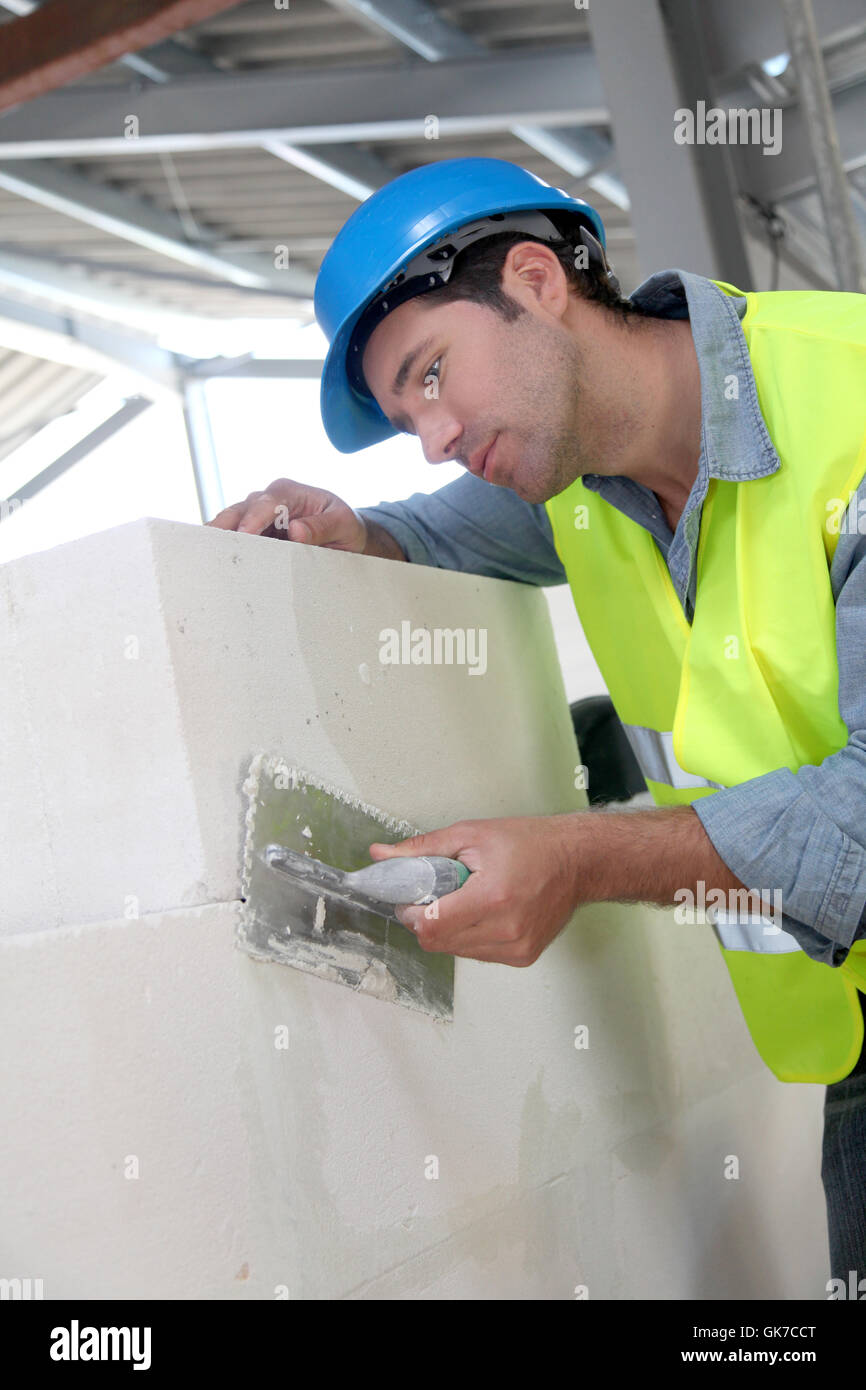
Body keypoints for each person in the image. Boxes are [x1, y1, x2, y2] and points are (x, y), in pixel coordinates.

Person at [207, 156, 866, 1286]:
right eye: (407, 410)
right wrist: (345, 533)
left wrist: (574, 858)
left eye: (430, 373)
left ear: (534, 280)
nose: (434, 434)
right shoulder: (574, 485)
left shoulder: (846, 397)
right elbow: (437, 533)